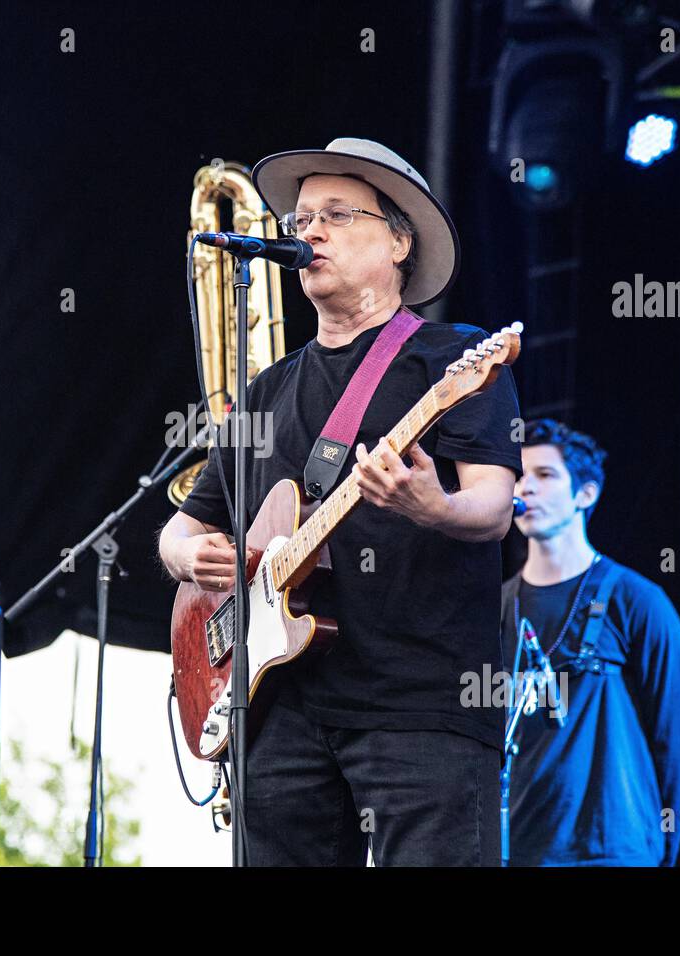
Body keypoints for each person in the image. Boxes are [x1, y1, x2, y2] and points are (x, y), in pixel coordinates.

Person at [158, 138, 521, 865]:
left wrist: (431, 505)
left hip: (417, 707)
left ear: (397, 242)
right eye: (300, 222)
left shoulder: (452, 360)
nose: (309, 232)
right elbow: (179, 526)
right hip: (280, 712)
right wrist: (187, 553)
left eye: (336, 215)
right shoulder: (268, 391)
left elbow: (493, 508)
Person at [502, 418, 680, 865]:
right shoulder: (494, 608)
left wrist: (660, 848)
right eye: (517, 476)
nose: (525, 488)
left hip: (611, 848)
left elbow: (677, 739)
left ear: (585, 494)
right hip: (516, 847)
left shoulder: (637, 600)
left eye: (545, 474)